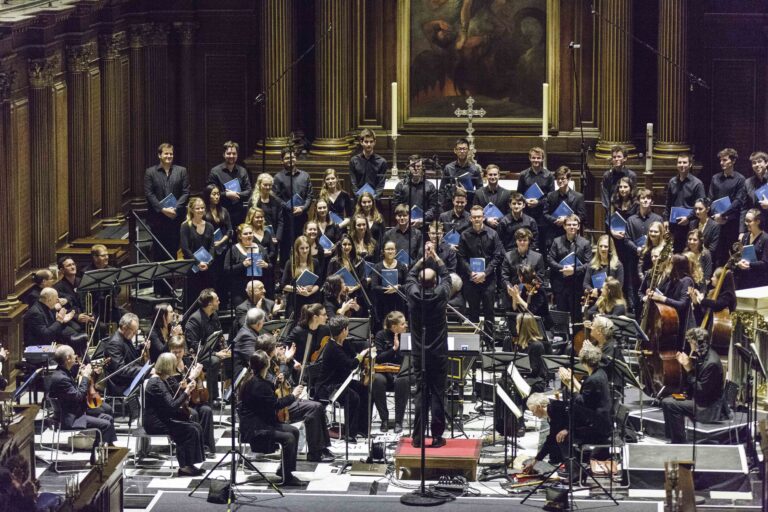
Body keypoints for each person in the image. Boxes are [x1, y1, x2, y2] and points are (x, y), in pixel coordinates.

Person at [254, 335, 335, 463]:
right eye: (276, 347)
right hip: (277, 410)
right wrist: (284, 362)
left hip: (283, 402)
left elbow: (285, 377)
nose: (278, 349)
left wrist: (289, 361)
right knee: (314, 408)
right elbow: (276, 382)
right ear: (270, 350)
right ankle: (315, 452)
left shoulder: (271, 361)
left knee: (317, 406)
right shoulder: (261, 364)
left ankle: (321, 448)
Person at [403, 242, 452, 448]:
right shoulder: (441, 294)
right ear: (434, 283)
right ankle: (437, 437)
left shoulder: (413, 296)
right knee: (438, 395)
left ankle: (417, 438)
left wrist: (422, 259)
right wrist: (437, 258)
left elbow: (409, 277)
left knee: (420, 395)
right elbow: (448, 277)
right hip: (438, 354)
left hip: (419, 355)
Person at [237, 350, 305, 486]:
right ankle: (288, 476)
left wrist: (274, 384)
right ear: (266, 365)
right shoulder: (258, 385)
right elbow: (276, 404)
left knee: (294, 431)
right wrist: (293, 395)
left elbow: (265, 398)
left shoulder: (253, 380)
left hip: (263, 422)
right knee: (289, 438)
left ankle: (284, 471)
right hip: (256, 428)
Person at [48, 344, 117, 465]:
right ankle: (96, 458)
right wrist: (85, 377)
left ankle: (107, 450)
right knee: (105, 424)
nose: (76, 357)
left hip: (75, 412)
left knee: (108, 417)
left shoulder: (63, 372)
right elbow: (78, 397)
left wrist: (88, 375)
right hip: (70, 418)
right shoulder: (61, 378)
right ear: (68, 358)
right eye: (74, 355)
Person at [144, 353, 205, 476]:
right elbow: (172, 406)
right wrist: (187, 392)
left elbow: (172, 397)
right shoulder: (156, 383)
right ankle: (184, 467)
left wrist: (185, 387)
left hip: (163, 417)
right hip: (155, 422)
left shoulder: (162, 379)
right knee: (189, 430)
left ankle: (190, 464)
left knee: (195, 426)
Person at [660, 328, 724, 443]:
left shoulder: (712, 363)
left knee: (670, 404)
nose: (690, 345)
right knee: (666, 400)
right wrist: (687, 365)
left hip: (708, 406)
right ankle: (674, 438)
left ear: (695, 342)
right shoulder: (702, 355)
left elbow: (701, 390)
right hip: (701, 399)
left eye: (690, 342)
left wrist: (689, 369)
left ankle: (679, 441)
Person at [557, 342, 612, 476]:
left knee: (563, 437)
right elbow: (585, 395)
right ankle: (575, 467)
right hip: (602, 422)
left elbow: (581, 403)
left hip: (598, 429)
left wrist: (569, 384)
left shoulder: (593, 379)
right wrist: (572, 380)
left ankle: (575, 473)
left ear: (583, 362)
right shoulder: (600, 373)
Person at [315, 315, 370, 440]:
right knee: (353, 397)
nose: (348, 331)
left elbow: (352, 354)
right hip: (328, 387)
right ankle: (349, 434)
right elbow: (351, 364)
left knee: (363, 389)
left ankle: (362, 429)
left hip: (341, 382)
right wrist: (361, 355)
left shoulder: (343, 343)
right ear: (343, 331)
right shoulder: (332, 348)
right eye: (347, 329)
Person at [458, 205, 504, 338]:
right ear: (470, 218)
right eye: (474, 217)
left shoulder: (493, 234)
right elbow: (461, 257)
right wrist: (471, 273)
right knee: (473, 312)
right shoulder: (465, 235)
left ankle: (490, 342)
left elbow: (497, 256)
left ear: (483, 217)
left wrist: (485, 273)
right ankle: (474, 342)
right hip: (471, 279)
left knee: (489, 312)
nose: (477, 219)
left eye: (479, 216)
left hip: (488, 279)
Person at [143, 142, 190, 271]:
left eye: (171, 154)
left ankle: (171, 287)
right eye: (166, 153)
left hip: (175, 218)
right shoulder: (150, 172)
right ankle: (160, 288)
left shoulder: (181, 171)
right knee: (159, 253)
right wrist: (162, 209)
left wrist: (175, 208)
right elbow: (149, 194)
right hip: (158, 219)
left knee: (173, 250)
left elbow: (186, 192)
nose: (169, 156)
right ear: (159, 155)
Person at [166, 337, 215, 456]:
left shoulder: (188, 362)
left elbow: (197, 381)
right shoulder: (168, 366)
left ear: (184, 350)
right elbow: (175, 389)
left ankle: (206, 446)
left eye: (179, 351)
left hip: (191, 400)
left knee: (206, 410)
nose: (177, 354)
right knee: (194, 413)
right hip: (179, 402)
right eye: (174, 351)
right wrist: (191, 377)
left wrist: (198, 377)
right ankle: (195, 449)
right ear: (169, 351)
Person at [183, 288, 227, 405]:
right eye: (217, 300)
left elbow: (220, 335)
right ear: (209, 304)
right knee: (214, 361)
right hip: (198, 355)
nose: (219, 301)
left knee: (232, 357)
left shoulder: (214, 315)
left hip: (212, 351)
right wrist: (216, 353)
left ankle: (230, 393)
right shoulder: (194, 319)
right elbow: (194, 345)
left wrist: (225, 349)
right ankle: (212, 398)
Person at [547, 214, 593, 323]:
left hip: (576, 284)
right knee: (561, 314)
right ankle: (563, 337)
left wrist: (574, 270)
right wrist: (563, 268)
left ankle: (576, 338)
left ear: (578, 226)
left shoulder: (585, 243)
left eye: (574, 225)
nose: (571, 227)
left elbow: (589, 264)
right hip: (560, 284)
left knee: (576, 315)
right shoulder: (556, 241)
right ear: (564, 226)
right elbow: (550, 260)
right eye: (569, 225)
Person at [645, 253, 695, 349]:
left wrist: (661, 298)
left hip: (682, 326)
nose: (667, 265)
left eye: (670, 263)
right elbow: (665, 296)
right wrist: (653, 293)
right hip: (671, 323)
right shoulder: (671, 279)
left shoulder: (687, 280)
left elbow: (682, 304)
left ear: (677, 266)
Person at [372, 311, 410, 433]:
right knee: (377, 380)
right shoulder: (380, 335)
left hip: (401, 372)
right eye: (403, 324)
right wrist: (394, 349)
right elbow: (379, 358)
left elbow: (406, 359)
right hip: (384, 373)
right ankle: (384, 419)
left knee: (402, 381)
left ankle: (398, 421)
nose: (405, 326)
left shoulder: (407, 336)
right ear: (394, 327)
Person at [273, 146, 314, 263]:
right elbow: (276, 198)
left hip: (302, 217)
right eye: (286, 158)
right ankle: (284, 276)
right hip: (286, 218)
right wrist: (289, 207)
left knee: (303, 246)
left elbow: (310, 196)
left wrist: (303, 208)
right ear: (282, 161)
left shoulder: (305, 176)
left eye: (292, 157)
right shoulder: (278, 177)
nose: (290, 160)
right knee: (286, 249)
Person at [626, 188, 664, 307]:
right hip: (635, 258)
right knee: (635, 287)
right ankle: (636, 313)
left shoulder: (658, 219)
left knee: (651, 287)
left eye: (648, 198)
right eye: (643, 198)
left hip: (652, 260)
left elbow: (661, 237)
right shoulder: (631, 220)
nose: (645, 200)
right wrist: (637, 249)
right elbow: (626, 239)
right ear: (638, 201)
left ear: (652, 201)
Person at [709, 147, 747, 266]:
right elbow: (710, 198)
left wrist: (724, 215)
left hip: (731, 222)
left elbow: (738, 201)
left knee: (730, 253)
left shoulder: (740, 179)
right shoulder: (715, 178)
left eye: (725, 160)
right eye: (720, 160)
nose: (722, 163)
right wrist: (716, 216)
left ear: (733, 161)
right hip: (716, 220)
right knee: (716, 252)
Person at [664, 153, 705, 253]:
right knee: (674, 253)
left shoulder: (697, 183)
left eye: (685, 162)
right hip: (674, 225)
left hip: (690, 224)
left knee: (688, 253)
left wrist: (688, 218)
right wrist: (665, 220)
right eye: (679, 162)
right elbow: (668, 203)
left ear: (690, 164)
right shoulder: (672, 182)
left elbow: (701, 205)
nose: (682, 165)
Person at [224, 224, 271, 308]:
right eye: (245, 234)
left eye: (250, 233)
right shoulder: (234, 249)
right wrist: (242, 265)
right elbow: (227, 269)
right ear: (240, 236)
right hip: (240, 290)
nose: (249, 236)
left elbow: (271, 266)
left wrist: (266, 265)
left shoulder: (260, 248)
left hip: (258, 289)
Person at [103, 313, 145, 406]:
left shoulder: (125, 337)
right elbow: (120, 370)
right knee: (151, 381)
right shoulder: (114, 343)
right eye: (133, 332)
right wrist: (143, 370)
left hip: (126, 378)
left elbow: (130, 356)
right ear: (124, 327)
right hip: (120, 384)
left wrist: (141, 347)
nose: (134, 334)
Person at [206, 141, 252, 226]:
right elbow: (209, 192)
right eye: (229, 153)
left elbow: (249, 191)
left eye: (234, 153)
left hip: (239, 212)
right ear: (224, 154)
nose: (231, 156)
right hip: (220, 212)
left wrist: (236, 194)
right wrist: (226, 194)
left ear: (237, 155)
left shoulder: (242, 171)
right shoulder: (215, 171)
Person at [517, 147, 554, 251]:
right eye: (534, 158)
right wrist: (525, 200)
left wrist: (539, 202)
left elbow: (551, 197)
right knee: (527, 239)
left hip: (543, 214)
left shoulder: (549, 175)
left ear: (542, 159)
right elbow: (519, 194)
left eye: (538, 158)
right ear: (530, 158)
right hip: (527, 213)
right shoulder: (523, 175)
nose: (536, 160)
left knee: (542, 243)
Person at [181, 197, 215, 308]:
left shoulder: (209, 226)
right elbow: (185, 248)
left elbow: (212, 247)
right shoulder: (185, 226)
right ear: (191, 210)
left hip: (207, 268)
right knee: (192, 299)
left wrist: (208, 263)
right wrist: (198, 263)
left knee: (207, 300)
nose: (201, 210)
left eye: (202, 208)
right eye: (197, 208)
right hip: (192, 268)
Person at [524, 393, 569, 471]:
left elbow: (579, 418)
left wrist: (567, 429)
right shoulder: (551, 410)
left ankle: (573, 468)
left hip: (588, 430)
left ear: (539, 407)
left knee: (560, 437)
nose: (533, 414)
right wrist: (535, 461)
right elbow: (550, 439)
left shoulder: (555, 408)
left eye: (533, 411)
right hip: (580, 428)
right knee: (556, 437)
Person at [202, 184, 233, 297]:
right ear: (208, 195)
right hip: (209, 248)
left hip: (223, 247)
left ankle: (223, 300)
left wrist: (221, 241)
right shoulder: (204, 211)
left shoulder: (223, 210)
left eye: (218, 194)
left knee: (223, 276)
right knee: (211, 276)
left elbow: (229, 230)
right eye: (214, 194)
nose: (217, 197)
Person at [370, 241, 408, 331]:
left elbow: (408, 285)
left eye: (392, 249)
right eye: (388, 249)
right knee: (384, 329)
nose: (390, 251)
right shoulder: (377, 267)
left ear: (395, 251)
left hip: (398, 303)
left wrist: (397, 288)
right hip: (382, 304)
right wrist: (388, 289)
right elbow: (374, 287)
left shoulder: (402, 266)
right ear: (383, 251)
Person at [280, 236, 322, 317]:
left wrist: (309, 293)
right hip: (295, 301)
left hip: (311, 300)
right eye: (302, 248)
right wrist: (297, 290)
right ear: (297, 249)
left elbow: (318, 284)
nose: (305, 251)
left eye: (307, 248)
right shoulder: (290, 263)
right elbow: (283, 285)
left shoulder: (315, 262)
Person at [393, 156, 439, 229]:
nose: (415, 169)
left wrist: (422, 219)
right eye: (412, 166)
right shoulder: (401, 185)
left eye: (418, 166)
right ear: (409, 168)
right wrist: (405, 217)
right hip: (405, 224)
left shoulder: (430, 186)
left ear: (422, 167)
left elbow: (433, 207)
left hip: (424, 225)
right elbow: (396, 205)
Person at [545, 166, 587, 245]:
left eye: (563, 178)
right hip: (554, 233)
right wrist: (555, 220)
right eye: (558, 179)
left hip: (571, 234)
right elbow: (545, 214)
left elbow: (582, 216)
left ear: (569, 179)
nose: (560, 181)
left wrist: (566, 219)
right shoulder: (550, 196)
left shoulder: (578, 197)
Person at [438, 138, 483, 210]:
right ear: (455, 150)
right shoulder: (448, 168)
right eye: (459, 149)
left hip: (468, 206)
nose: (462, 151)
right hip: (450, 206)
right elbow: (442, 190)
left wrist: (467, 192)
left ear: (468, 150)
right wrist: (441, 209)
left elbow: (480, 190)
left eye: (464, 149)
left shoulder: (475, 169)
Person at [283, 303, 331, 369]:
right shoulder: (298, 331)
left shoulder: (325, 329)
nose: (327, 317)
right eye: (324, 315)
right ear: (315, 317)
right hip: (300, 368)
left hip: (316, 366)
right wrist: (294, 362)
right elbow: (285, 348)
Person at [246, 206, 279, 298]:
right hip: (253, 269)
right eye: (257, 217)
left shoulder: (267, 232)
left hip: (266, 267)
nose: (260, 219)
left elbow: (273, 250)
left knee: (269, 293)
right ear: (251, 218)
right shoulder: (248, 233)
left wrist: (265, 258)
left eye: (261, 217)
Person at [583, 235, 624, 303]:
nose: (603, 249)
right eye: (600, 246)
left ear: (611, 248)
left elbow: (619, 286)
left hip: (612, 301)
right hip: (595, 300)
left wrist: (606, 291)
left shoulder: (618, 265)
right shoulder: (592, 264)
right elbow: (585, 284)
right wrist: (592, 290)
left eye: (606, 246)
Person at [348, 128, 387, 200]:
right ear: (361, 142)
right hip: (358, 201)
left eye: (371, 141)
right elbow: (353, 184)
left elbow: (380, 185)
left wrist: (372, 199)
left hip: (375, 201)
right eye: (366, 142)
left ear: (374, 142)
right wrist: (361, 199)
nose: (369, 144)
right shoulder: (354, 161)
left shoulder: (382, 162)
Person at [734, 208, 768, 289]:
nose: (746, 223)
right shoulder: (745, 237)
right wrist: (739, 262)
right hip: (744, 279)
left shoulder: (765, 239)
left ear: (758, 221)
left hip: (759, 281)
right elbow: (739, 255)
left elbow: (766, 263)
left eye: (749, 221)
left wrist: (749, 264)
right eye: (745, 221)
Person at [472, 164, 511, 229]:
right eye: (490, 174)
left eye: (495, 174)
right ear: (486, 176)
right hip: (484, 229)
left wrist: (499, 219)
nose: (492, 177)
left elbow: (509, 213)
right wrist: (487, 220)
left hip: (501, 228)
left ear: (499, 176)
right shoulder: (478, 193)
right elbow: (474, 211)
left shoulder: (507, 193)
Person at [232, 308, 266, 379]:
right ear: (258, 324)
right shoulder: (246, 336)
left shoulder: (246, 329)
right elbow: (256, 362)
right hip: (244, 379)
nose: (264, 323)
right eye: (263, 321)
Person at [600, 145, 636, 211]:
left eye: (619, 157)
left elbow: (633, 195)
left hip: (627, 210)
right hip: (611, 211)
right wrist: (610, 211)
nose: (616, 159)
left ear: (625, 158)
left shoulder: (631, 175)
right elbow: (605, 196)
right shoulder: (607, 175)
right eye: (614, 157)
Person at [251, 173, 282, 247]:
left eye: (270, 185)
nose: (268, 187)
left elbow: (281, 221)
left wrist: (277, 238)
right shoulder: (253, 201)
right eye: (265, 185)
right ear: (259, 185)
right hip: (256, 237)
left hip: (272, 237)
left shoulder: (276, 201)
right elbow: (248, 220)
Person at [745, 151, 768, 228]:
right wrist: (742, 231)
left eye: (759, 161)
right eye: (754, 163)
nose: (757, 165)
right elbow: (744, 207)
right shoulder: (748, 183)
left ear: (766, 163)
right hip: (756, 227)